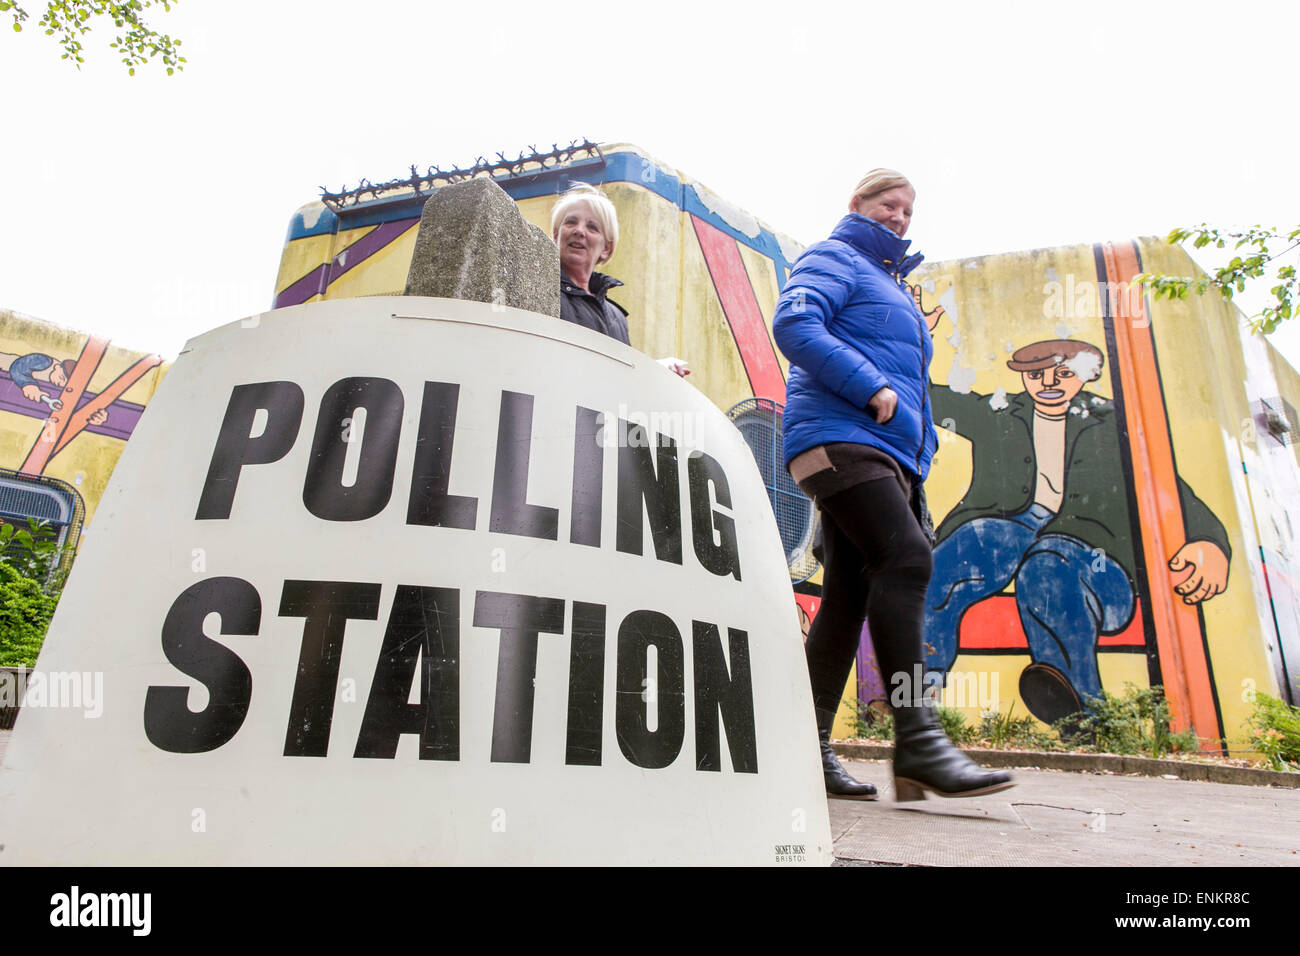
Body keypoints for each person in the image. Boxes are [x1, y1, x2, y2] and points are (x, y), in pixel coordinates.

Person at [772, 169, 1013, 801]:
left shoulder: (893, 285)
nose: (900, 217)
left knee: (848, 597)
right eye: (888, 204)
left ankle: (805, 751)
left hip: (884, 450)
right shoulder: (835, 257)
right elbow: (794, 325)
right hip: (838, 437)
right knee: (905, 557)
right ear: (857, 204)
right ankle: (919, 743)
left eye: (909, 210)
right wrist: (870, 387)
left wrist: (917, 451)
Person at [926, 338, 1230, 723]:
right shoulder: (999, 411)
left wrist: (1210, 542)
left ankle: (1082, 718)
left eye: (1064, 373)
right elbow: (931, 397)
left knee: (1049, 567)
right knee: (940, 564)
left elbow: (1166, 484)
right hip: (1010, 527)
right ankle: (918, 700)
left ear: (1089, 375)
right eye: (1037, 374)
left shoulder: (1115, 421)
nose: (1048, 382)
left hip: (1086, 546)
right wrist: (920, 334)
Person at [550, 184, 689, 375]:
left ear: (606, 248)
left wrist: (656, 372)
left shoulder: (617, 316)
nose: (579, 231)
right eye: (571, 222)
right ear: (556, 235)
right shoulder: (541, 289)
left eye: (592, 227)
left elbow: (621, 378)